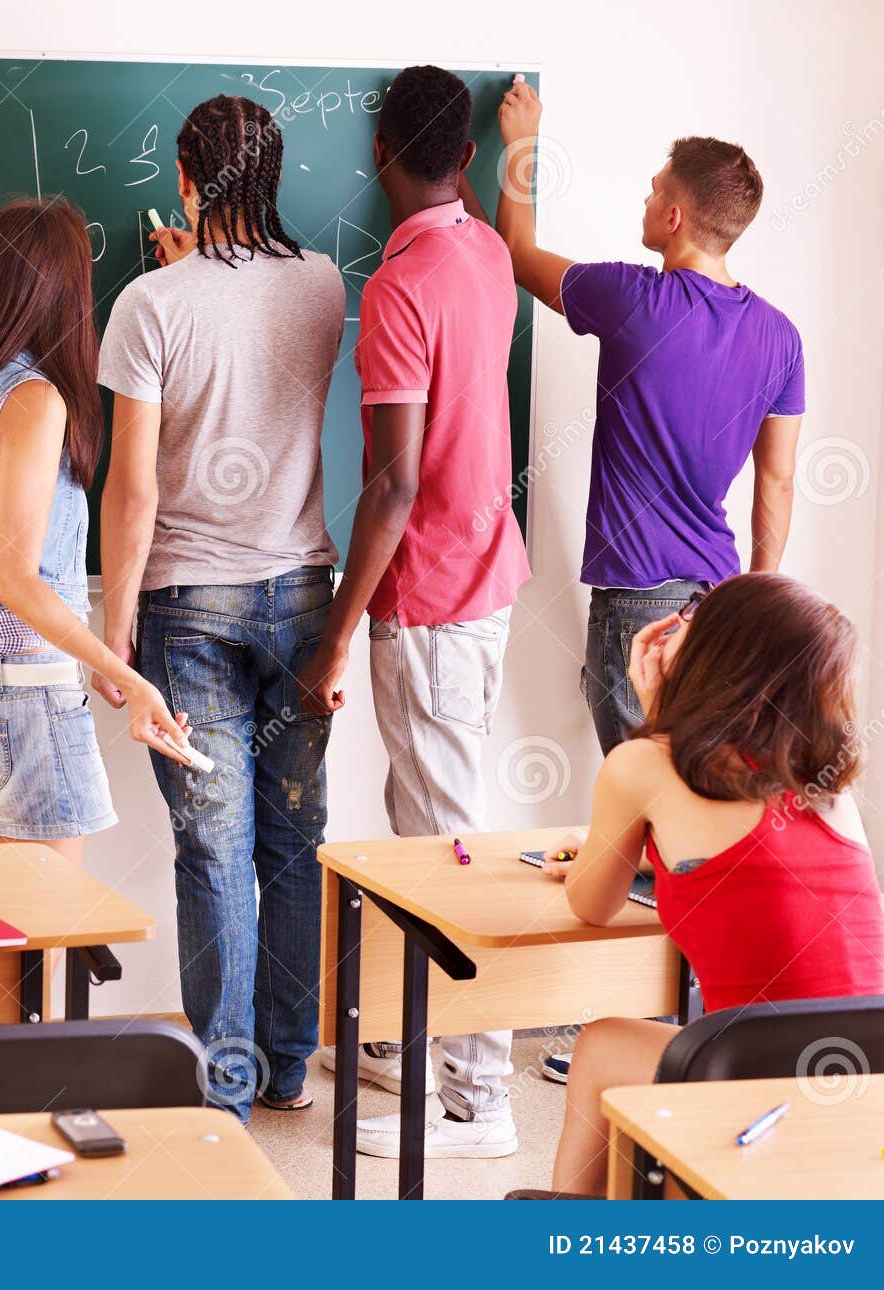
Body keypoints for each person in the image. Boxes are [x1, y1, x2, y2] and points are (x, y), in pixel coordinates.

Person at [95, 94, 344, 1121]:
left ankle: (225, 1094)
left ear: (188, 180)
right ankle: (289, 1067)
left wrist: (111, 625)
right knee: (289, 836)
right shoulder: (326, 284)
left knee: (211, 847)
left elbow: (133, 486)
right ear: (274, 178)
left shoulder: (150, 306)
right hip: (300, 593)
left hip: (185, 601)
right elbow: (257, 360)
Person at [297, 65, 531, 1157]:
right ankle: (405, 1035)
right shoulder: (482, 251)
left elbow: (388, 485)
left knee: (444, 841)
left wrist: (334, 638)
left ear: (378, 149)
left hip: (429, 590)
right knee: (425, 817)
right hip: (485, 574)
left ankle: (480, 1097)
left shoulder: (397, 289)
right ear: (468, 161)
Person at [522, 574, 884, 1198]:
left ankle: (569, 1243)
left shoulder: (640, 765)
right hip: (866, 1070)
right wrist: (637, 845)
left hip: (750, 1075)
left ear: (719, 657)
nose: (677, 624)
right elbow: (753, 865)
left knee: (603, 1044)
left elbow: (591, 905)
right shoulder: (827, 784)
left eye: (692, 617)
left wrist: (652, 723)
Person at [486, 77, 804, 755]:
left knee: (642, 804)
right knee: (694, 803)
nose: (647, 196)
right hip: (716, 602)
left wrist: (522, 145)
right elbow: (777, 482)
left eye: (657, 189)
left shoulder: (633, 300)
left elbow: (515, 251)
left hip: (637, 607)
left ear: (676, 218)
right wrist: (754, 601)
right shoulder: (781, 337)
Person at [0, 197, 192, 861]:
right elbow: (14, 577)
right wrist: (133, 680)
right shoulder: (32, 401)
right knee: (47, 948)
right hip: (24, 700)